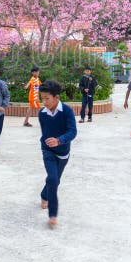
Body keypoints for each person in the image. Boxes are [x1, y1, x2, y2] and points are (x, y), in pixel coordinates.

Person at [37, 80, 77, 229]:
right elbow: (46, 134)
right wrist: (51, 143)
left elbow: (73, 132)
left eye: (47, 98)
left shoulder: (67, 111)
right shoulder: (42, 114)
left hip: (63, 152)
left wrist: (60, 140)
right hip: (48, 150)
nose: (44, 101)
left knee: (55, 180)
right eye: (42, 98)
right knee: (53, 178)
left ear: (57, 97)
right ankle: (52, 215)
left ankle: (44, 194)